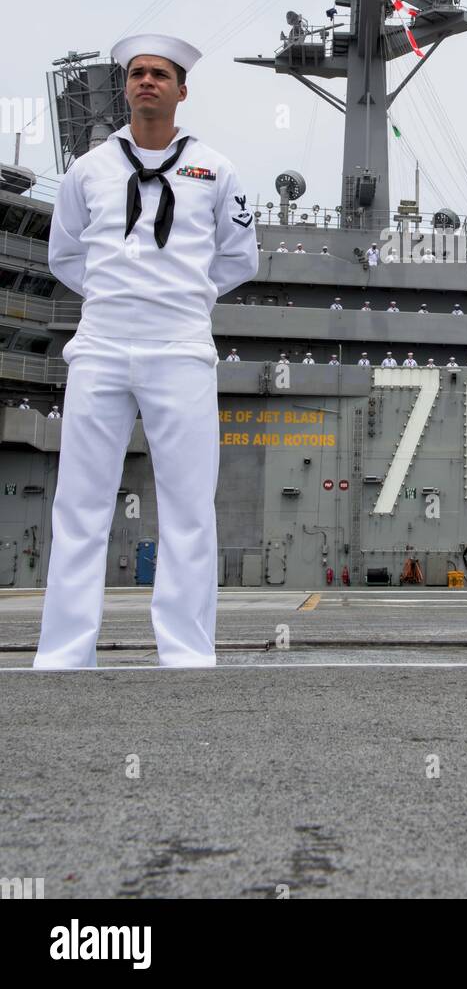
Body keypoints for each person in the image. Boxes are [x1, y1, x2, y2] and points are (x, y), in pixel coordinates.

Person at [34, 33, 259, 670]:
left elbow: (239, 257)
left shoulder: (215, 170)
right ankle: (63, 655)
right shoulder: (89, 171)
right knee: (78, 504)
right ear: (126, 85)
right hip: (100, 347)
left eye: (160, 74)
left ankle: (187, 654)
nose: (147, 82)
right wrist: (120, 295)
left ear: (181, 90)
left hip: (181, 349)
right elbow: (66, 254)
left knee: (189, 507)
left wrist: (180, 297)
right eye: (137, 73)